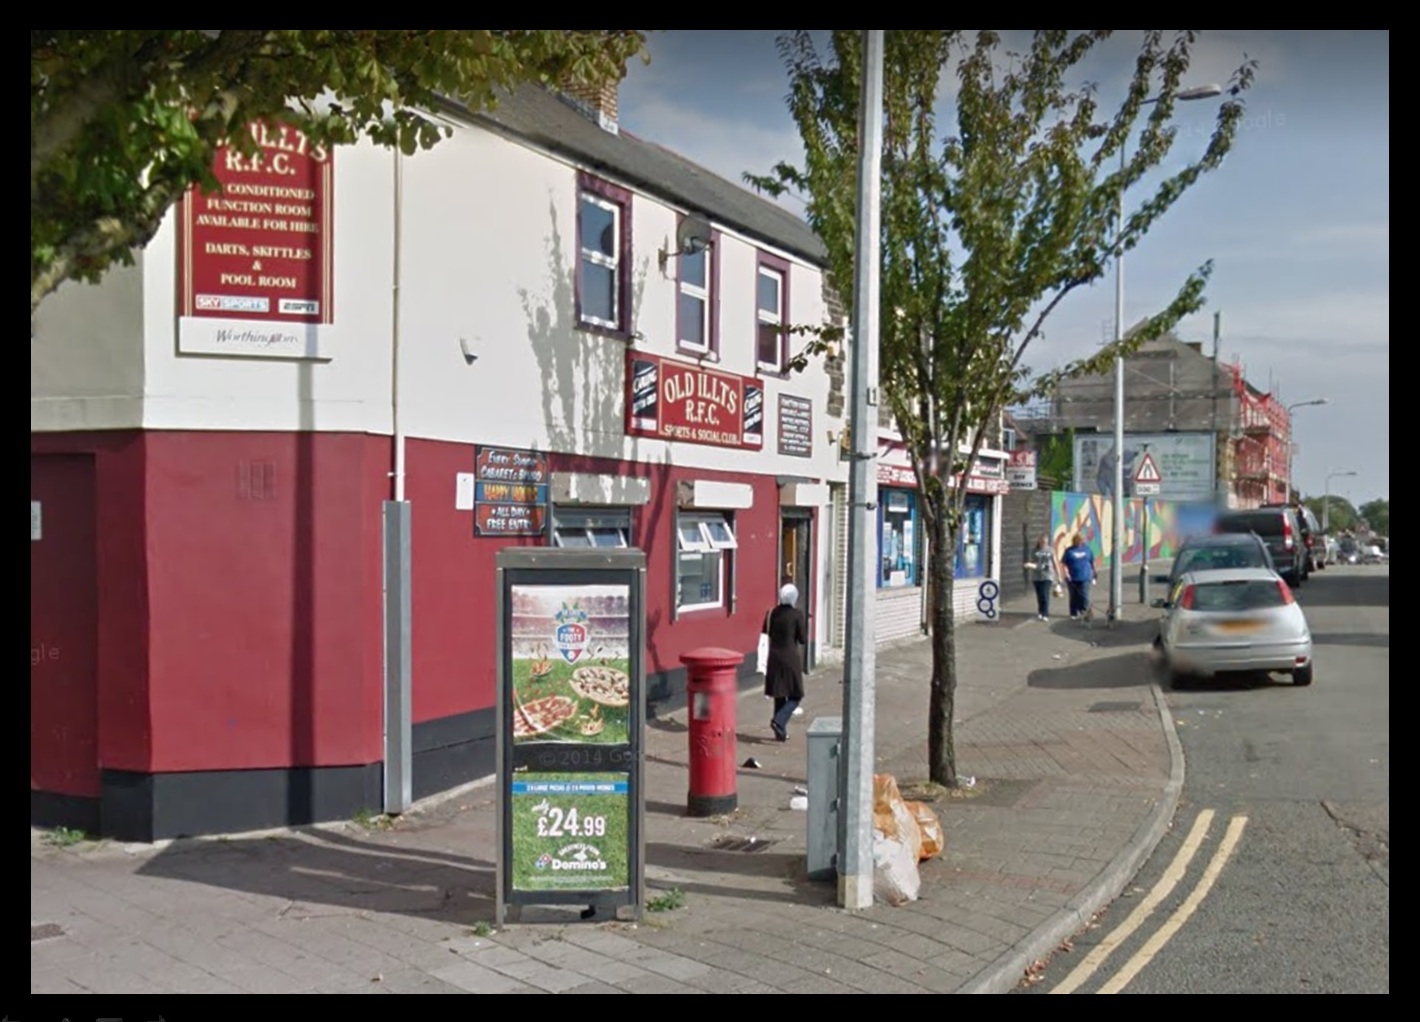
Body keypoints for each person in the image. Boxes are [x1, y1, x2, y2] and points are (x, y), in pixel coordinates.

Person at [764, 582, 807, 741]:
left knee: (779, 694)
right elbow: (802, 639)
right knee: (796, 695)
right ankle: (779, 720)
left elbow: (767, 631)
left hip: (774, 657)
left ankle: (780, 733)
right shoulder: (796, 615)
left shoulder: (772, 613)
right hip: (790, 658)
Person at [1060, 533, 1096, 621]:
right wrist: (1067, 574)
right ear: (1074, 540)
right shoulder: (1069, 551)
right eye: (1078, 540)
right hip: (1072, 577)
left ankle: (1084, 612)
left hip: (1085, 576)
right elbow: (1064, 564)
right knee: (1073, 596)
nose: (1079, 542)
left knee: (1084, 595)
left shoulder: (1087, 550)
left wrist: (1094, 574)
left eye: (1081, 540)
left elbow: (1092, 562)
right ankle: (1073, 613)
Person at [1024, 533, 1059, 622]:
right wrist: (1030, 565)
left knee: (1044, 594)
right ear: (1039, 541)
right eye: (1042, 542)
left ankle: (1045, 613)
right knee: (1039, 595)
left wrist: (1058, 575)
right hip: (1037, 576)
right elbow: (1033, 562)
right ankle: (1040, 611)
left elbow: (1055, 562)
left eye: (1045, 542)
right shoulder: (1035, 551)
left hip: (1047, 575)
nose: (1043, 543)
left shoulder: (1050, 550)